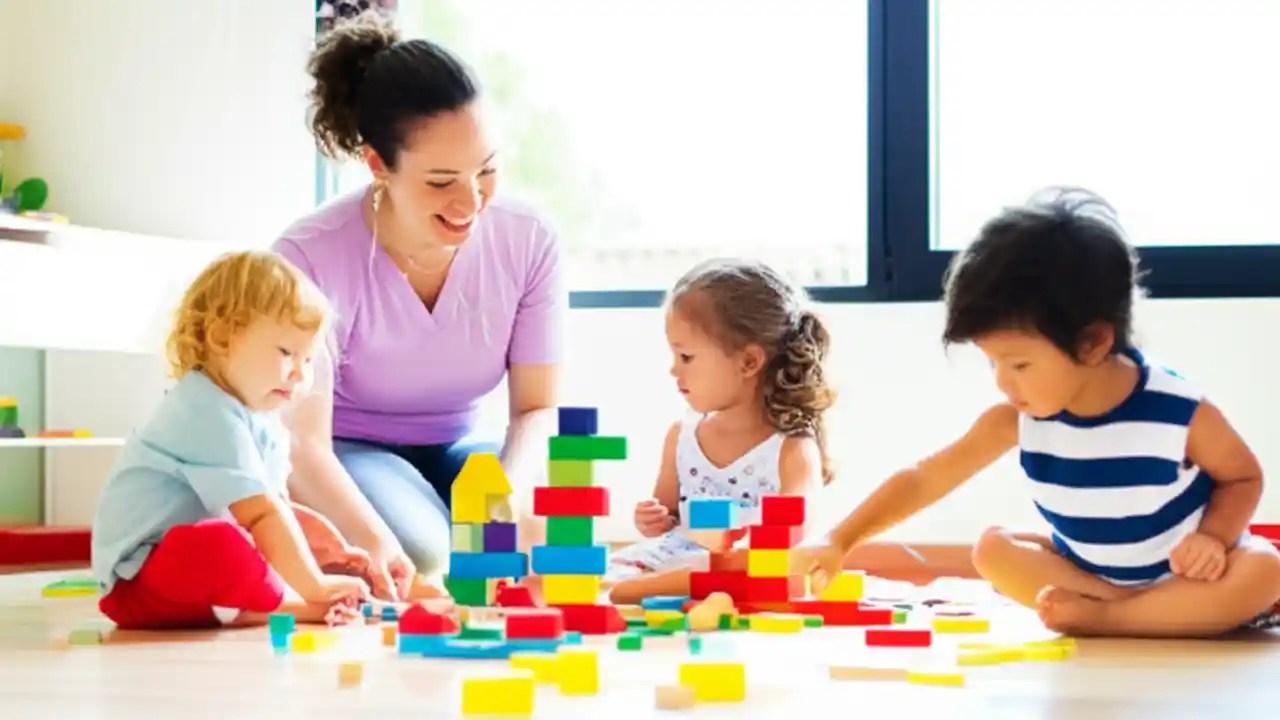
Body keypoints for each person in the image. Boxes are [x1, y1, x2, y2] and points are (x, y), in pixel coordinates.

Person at [801, 186, 1280, 638]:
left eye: (1020, 364)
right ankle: (1127, 613)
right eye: (993, 362)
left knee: (1264, 569)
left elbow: (1242, 478)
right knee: (994, 550)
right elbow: (926, 478)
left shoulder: (1178, 411)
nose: (1003, 383)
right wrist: (840, 539)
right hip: (1091, 577)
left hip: (1186, 576)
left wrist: (1213, 538)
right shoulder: (1018, 418)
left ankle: (1116, 620)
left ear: (1093, 343)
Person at [273, 11, 565, 596]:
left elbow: (536, 410)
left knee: (544, 539)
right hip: (347, 452)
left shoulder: (529, 238)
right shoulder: (308, 256)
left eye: (487, 170)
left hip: (459, 445)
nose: (471, 200)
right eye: (440, 181)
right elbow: (304, 445)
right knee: (426, 556)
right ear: (378, 164)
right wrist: (381, 551)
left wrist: (509, 491)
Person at [91, 251, 372, 629]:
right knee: (221, 544)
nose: (298, 374)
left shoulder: (263, 419)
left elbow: (274, 505)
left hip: (186, 581)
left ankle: (268, 606)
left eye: (307, 360)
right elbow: (260, 513)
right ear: (223, 337)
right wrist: (315, 583)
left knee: (253, 539)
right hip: (137, 582)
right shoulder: (203, 409)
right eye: (287, 353)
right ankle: (277, 602)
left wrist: (323, 543)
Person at [604, 258, 836, 604]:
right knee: (609, 573)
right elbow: (667, 516)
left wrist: (738, 545)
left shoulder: (792, 448)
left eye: (686, 357)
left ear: (748, 362)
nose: (673, 370)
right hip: (679, 557)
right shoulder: (681, 436)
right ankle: (668, 587)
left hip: (747, 562)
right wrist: (653, 518)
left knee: (743, 576)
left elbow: (796, 527)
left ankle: (669, 588)